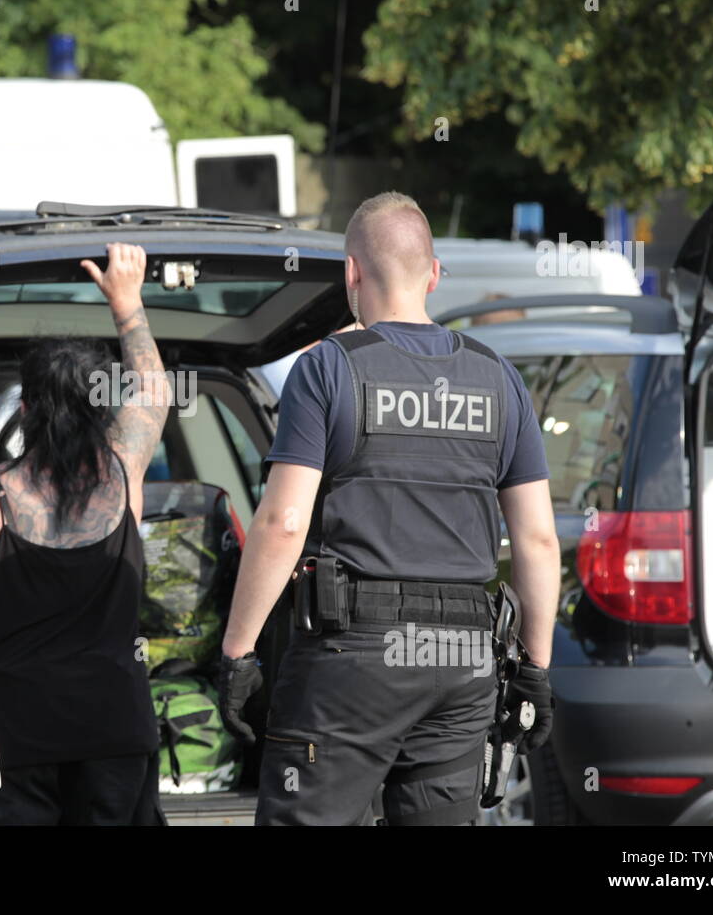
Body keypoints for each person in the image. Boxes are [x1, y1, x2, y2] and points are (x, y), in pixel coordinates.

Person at [218, 192, 560, 826]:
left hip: (354, 663)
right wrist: (535, 669)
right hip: (462, 658)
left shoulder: (327, 369)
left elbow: (285, 522)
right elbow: (537, 540)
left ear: (351, 274)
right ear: (433, 274)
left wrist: (238, 652)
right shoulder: (500, 378)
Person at [0, 242, 168, 826]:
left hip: (16, 739)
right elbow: (153, 390)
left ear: (25, 409)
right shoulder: (123, 472)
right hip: (116, 730)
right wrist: (126, 301)